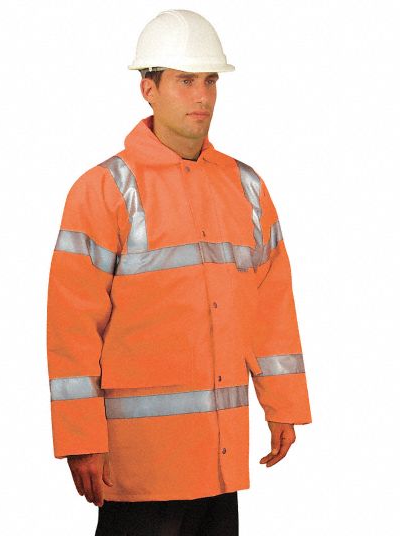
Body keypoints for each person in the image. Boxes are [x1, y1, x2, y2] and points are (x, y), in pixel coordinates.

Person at [46, 9, 313, 536]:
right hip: (140, 465)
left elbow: (271, 308)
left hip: (219, 459)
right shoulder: (105, 189)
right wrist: (80, 439)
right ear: (148, 88)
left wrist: (283, 405)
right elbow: (72, 327)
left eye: (210, 80)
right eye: (185, 81)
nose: (202, 96)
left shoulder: (246, 187)